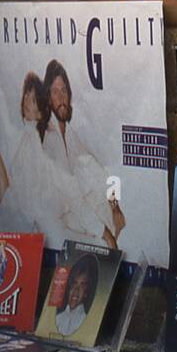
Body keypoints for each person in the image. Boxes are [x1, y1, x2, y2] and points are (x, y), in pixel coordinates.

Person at [41, 60, 127, 249]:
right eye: (55, 92)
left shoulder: (71, 134)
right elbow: (72, 196)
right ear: (48, 98)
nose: (61, 97)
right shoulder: (49, 141)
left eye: (64, 90)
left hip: (86, 215)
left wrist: (115, 207)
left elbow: (104, 171)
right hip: (65, 224)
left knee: (125, 219)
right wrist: (105, 234)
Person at [0, 73, 54, 236]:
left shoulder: (34, 140)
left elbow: (29, 195)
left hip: (18, 216)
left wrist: (0, 217)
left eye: (33, 99)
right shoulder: (29, 134)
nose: (26, 99)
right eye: (26, 94)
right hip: (17, 211)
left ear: (40, 114)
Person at [55, 258, 97, 337]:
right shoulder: (58, 319)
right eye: (74, 283)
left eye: (82, 285)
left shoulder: (86, 323)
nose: (76, 290)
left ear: (86, 292)